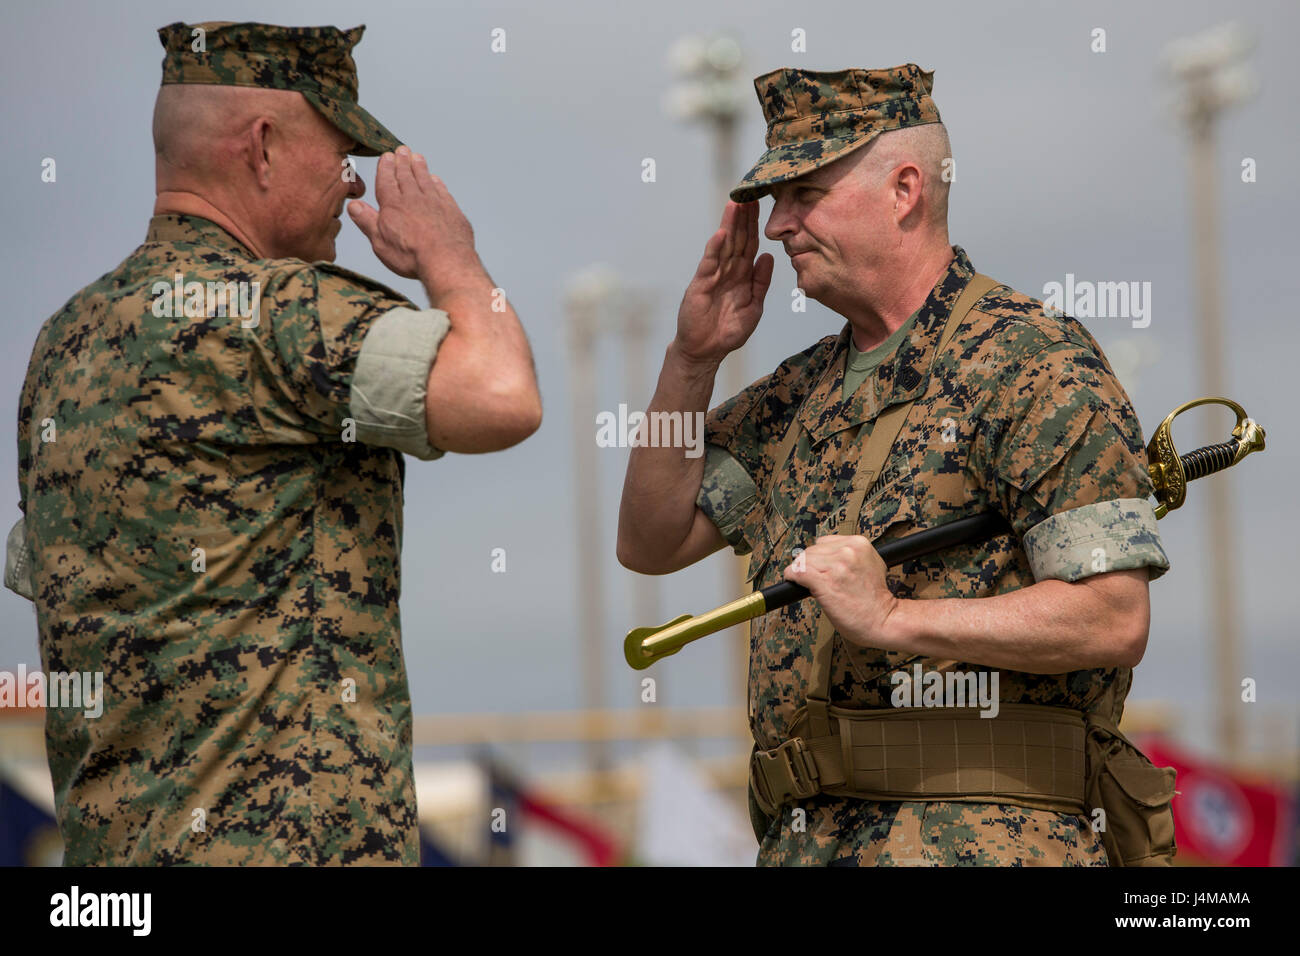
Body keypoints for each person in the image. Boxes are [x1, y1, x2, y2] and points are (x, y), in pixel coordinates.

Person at [5, 21, 541, 865]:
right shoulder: (284, 311)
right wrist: (453, 260)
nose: (351, 180)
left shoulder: (63, 345)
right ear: (261, 147)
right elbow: (503, 397)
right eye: (337, 154)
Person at [617, 64, 1170, 866]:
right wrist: (692, 359)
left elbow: (1112, 615)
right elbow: (652, 539)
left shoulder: (1027, 360)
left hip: (981, 843)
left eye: (804, 194)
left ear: (905, 188)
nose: (777, 226)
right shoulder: (801, 392)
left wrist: (894, 620)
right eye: (775, 202)